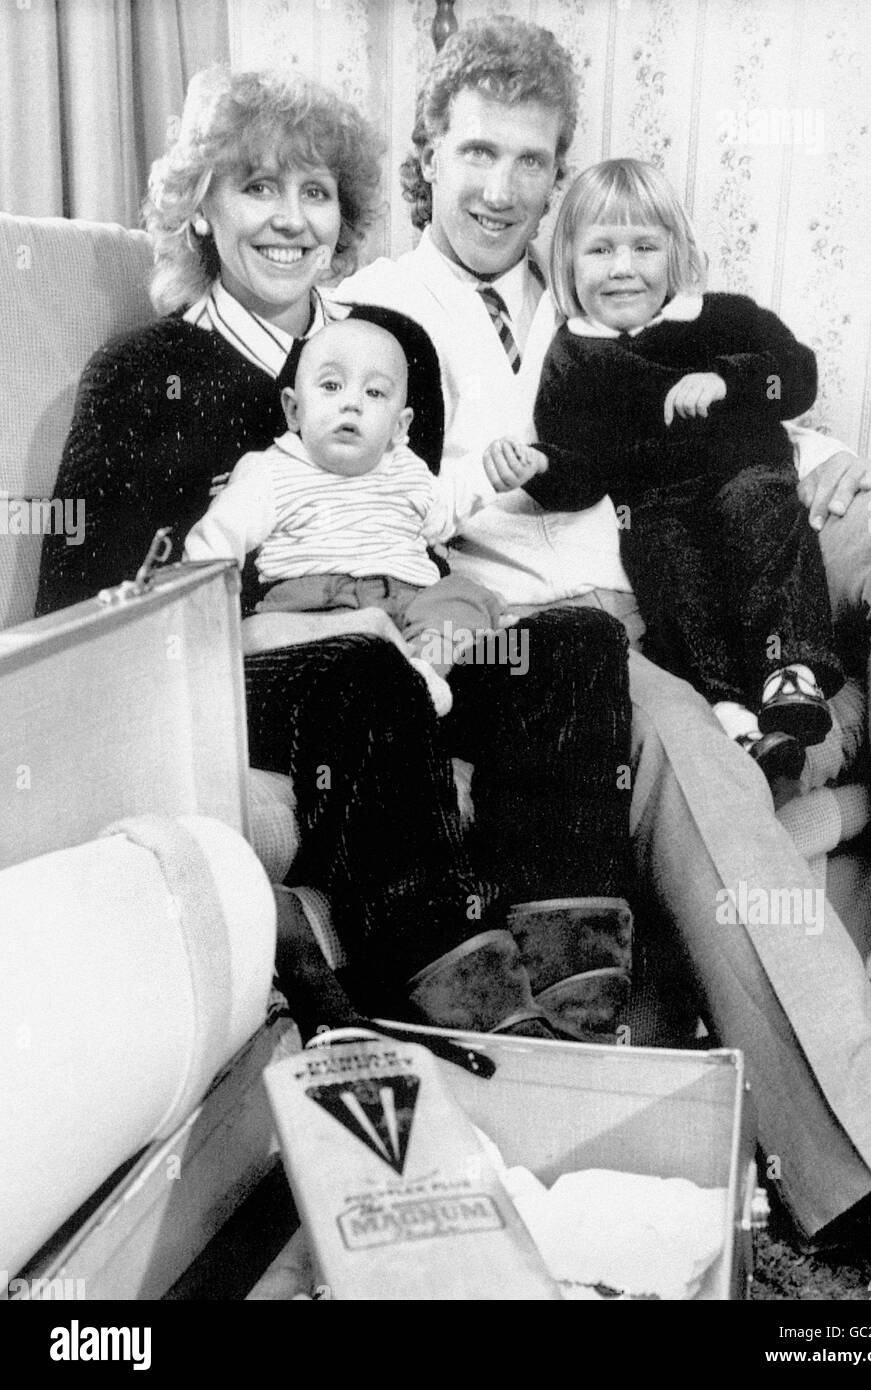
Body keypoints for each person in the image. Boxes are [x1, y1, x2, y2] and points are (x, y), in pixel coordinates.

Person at [338, 13, 871, 1271]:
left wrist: (817, 465)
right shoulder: (379, 317)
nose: (501, 189)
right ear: (425, 159)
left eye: (529, 160)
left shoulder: (579, 274)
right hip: (560, 625)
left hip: (685, 548)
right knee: (690, 752)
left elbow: (705, 373)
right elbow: (365, 501)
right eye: (475, 154)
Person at [35, 65, 634, 1045]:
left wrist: (448, 601)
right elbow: (94, 623)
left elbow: (416, 531)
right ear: (202, 208)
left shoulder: (390, 347)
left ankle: (579, 999)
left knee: (569, 646)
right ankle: (465, 999)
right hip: (246, 670)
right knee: (361, 666)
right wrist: (306, 617)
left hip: (387, 639)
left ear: (345, 213)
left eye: (314, 191)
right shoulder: (144, 374)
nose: (289, 219)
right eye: (256, 186)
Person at [504, 156, 845, 783]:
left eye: (643, 246)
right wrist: (536, 467)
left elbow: (797, 375)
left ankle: (790, 672)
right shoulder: (574, 357)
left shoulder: (717, 316)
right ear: (568, 264)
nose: (623, 267)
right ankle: (731, 717)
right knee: (665, 571)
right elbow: (580, 473)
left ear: (675, 252)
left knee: (759, 513)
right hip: (656, 505)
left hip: (746, 471)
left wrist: (728, 379)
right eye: (599, 250)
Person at [185, 314, 511, 716]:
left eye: (375, 393)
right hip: (317, 603)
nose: (351, 403)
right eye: (331, 386)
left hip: (411, 598)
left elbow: (443, 512)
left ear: (399, 425)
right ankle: (410, 673)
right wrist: (204, 598)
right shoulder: (271, 470)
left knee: (466, 597)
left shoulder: (406, 468)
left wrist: (490, 480)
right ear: (293, 409)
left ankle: (423, 666)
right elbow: (219, 536)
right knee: (342, 654)